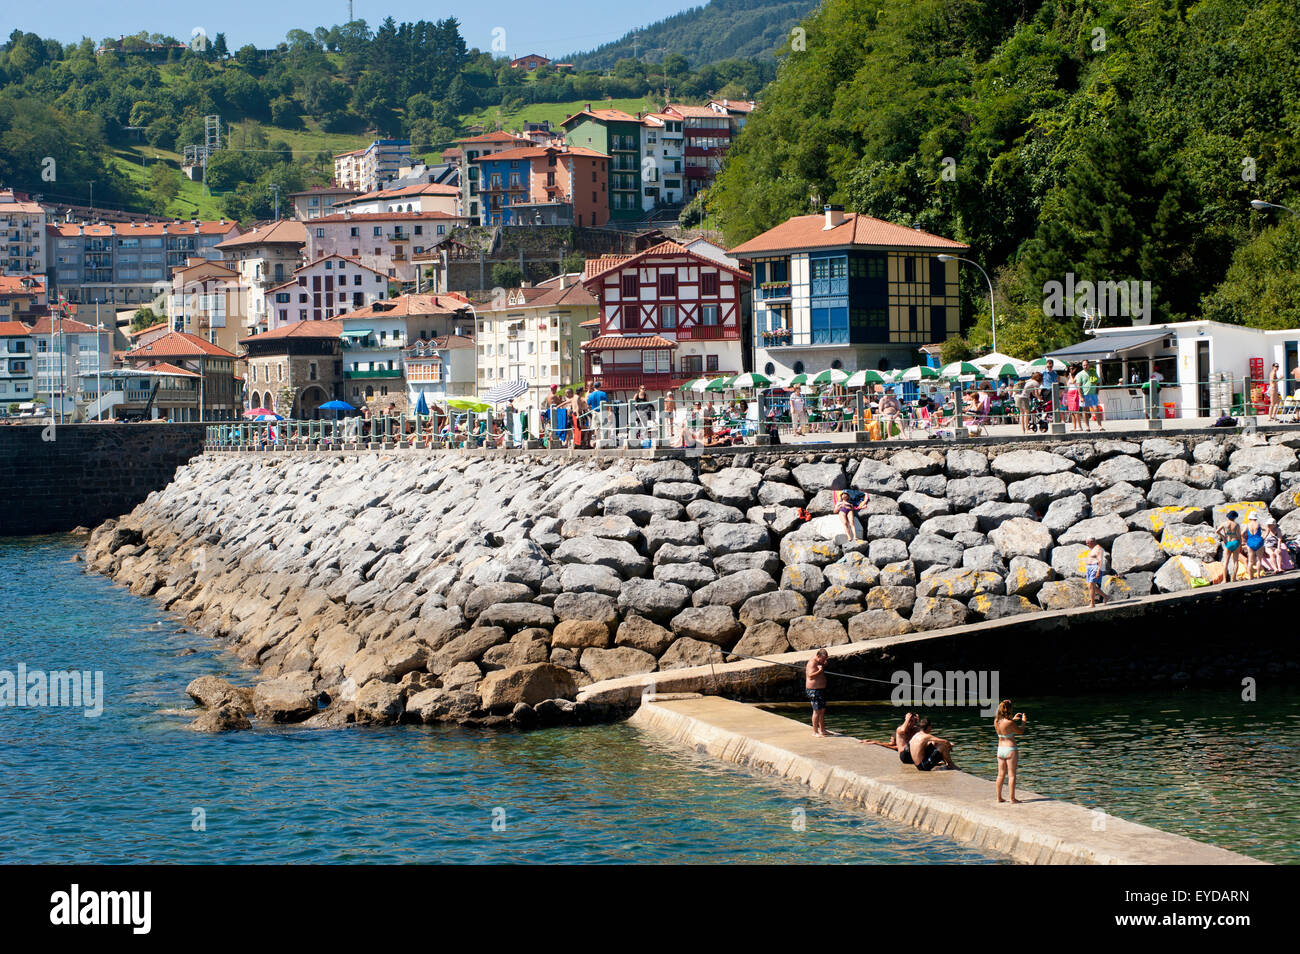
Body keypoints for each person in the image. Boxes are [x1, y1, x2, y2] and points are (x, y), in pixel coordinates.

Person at [994, 700, 1027, 804]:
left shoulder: (996, 721)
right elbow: (1020, 731)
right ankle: (1012, 799)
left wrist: (1013, 719)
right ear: (1009, 710)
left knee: (1000, 775)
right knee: (1012, 775)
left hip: (1000, 749)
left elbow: (1005, 726)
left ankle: (999, 797)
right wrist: (1023, 722)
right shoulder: (1010, 723)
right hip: (1010, 749)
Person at [805, 648, 829, 737]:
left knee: (822, 710)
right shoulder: (812, 663)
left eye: (825, 659)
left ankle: (822, 730)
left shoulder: (819, 662)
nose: (824, 661)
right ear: (818, 656)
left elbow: (822, 664)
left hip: (820, 690)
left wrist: (823, 664)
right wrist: (819, 671)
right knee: (816, 711)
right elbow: (810, 676)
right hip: (814, 690)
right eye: (823, 659)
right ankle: (815, 732)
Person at [1218, 510, 1243, 582]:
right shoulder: (1236, 525)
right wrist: (1240, 545)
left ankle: (1224, 580)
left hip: (1228, 543)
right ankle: (1234, 578)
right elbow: (1239, 536)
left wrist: (1223, 537)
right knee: (1236, 561)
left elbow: (1217, 531)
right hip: (1235, 542)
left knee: (1226, 562)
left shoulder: (1224, 524)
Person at [1079, 358, 1103, 431]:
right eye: (1084, 365)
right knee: (1085, 411)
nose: (1085, 366)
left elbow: (1098, 381)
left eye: (1086, 365)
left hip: (1093, 394)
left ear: (1089, 365)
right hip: (1084, 394)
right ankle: (1087, 427)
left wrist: (1097, 391)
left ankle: (1099, 426)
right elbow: (1079, 386)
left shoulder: (1093, 372)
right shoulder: (1080, 374)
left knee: (1096, 409)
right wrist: (1081, 397)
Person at [1084, 535, 1106, 607]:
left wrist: (1098, 571)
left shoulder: (1098, 549)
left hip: (1095, 567)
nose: (1086, 544)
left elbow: (1100, 561)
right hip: (1090, 568)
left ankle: (1092, 603)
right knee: (1091, 586)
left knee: (1091, 585)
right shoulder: (1092, 548)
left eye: (1088, 543)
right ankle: (1106, 596)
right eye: (1086, 543)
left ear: (1092, 542)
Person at [1243, 511, 1266, 579]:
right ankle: (1258, 575)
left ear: (1250, 518)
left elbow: (1242, 533)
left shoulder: (1247, 525)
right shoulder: (1258, 524)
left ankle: (1250, 576)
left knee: (1250, 561)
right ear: (1256, 518)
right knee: (1259, 560)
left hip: (1250, 542)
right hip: (1259, 541)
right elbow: (1267, 529)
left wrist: (1244, 540)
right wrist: (1264, 537)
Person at [1064, 364, 1082, 430]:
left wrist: (1071, 375)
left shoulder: (1077, 375)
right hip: (1070, 393)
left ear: (1075, 369)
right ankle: (1074, 427)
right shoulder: (1068, 376)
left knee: (1076, 410)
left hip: (1075, 392)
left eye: (1072, 368)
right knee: (1072, 411)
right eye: (1070, 368)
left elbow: (1073, 381)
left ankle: (1079, 426)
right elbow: (1068, 385)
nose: (1071, 370)